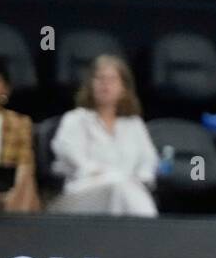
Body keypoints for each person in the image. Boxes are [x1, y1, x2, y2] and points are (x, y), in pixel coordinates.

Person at [48, 54, 159, 216]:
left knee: (124, 188)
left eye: (112, 80)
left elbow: (148, 161)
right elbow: (72, 158)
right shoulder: (75, 119)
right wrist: (110, 175)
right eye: (100, 79)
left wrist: (139, 179)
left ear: (123, 89)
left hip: (128, 191)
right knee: (118, 185)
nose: (105, 84)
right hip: (81, 192)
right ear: (90, 85)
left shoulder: (134, 124)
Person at [0, 58, 40, 213]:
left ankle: (15, 229)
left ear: (6, 89)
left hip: (10, 192)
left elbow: (25, 166)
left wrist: (11, 198)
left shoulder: (20, 123)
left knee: (27, 180)